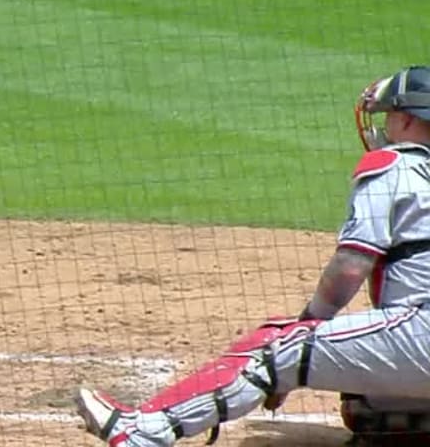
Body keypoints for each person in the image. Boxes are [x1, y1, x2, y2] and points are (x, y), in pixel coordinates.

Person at [74, 65, 430, 446]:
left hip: (422, 337)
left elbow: (350, 266)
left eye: (389, 114)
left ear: (407, 119)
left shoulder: (396, 167)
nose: (383, 125)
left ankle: (143, 433)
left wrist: (306, 328)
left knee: (274, 348)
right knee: (366, 404)